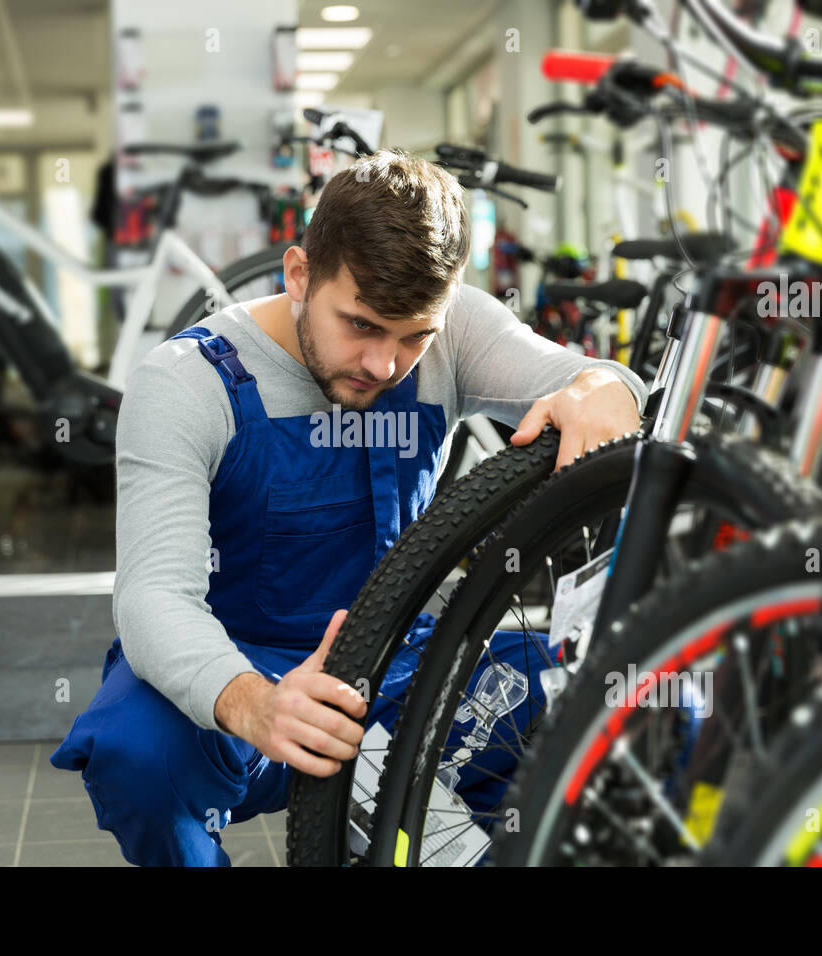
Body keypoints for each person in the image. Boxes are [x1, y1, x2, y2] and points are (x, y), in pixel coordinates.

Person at [50, 148, 647, 866]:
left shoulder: (450, 335)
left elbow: (595, 377)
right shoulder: (187, 382)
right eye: (360, 325)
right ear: (298, 274)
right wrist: (253, 703)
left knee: (637, 698)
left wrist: (605, 389)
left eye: (413, 336)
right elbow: (151, 597)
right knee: (136, 751)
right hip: (241, 679)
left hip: (397, 671)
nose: (384, 366)